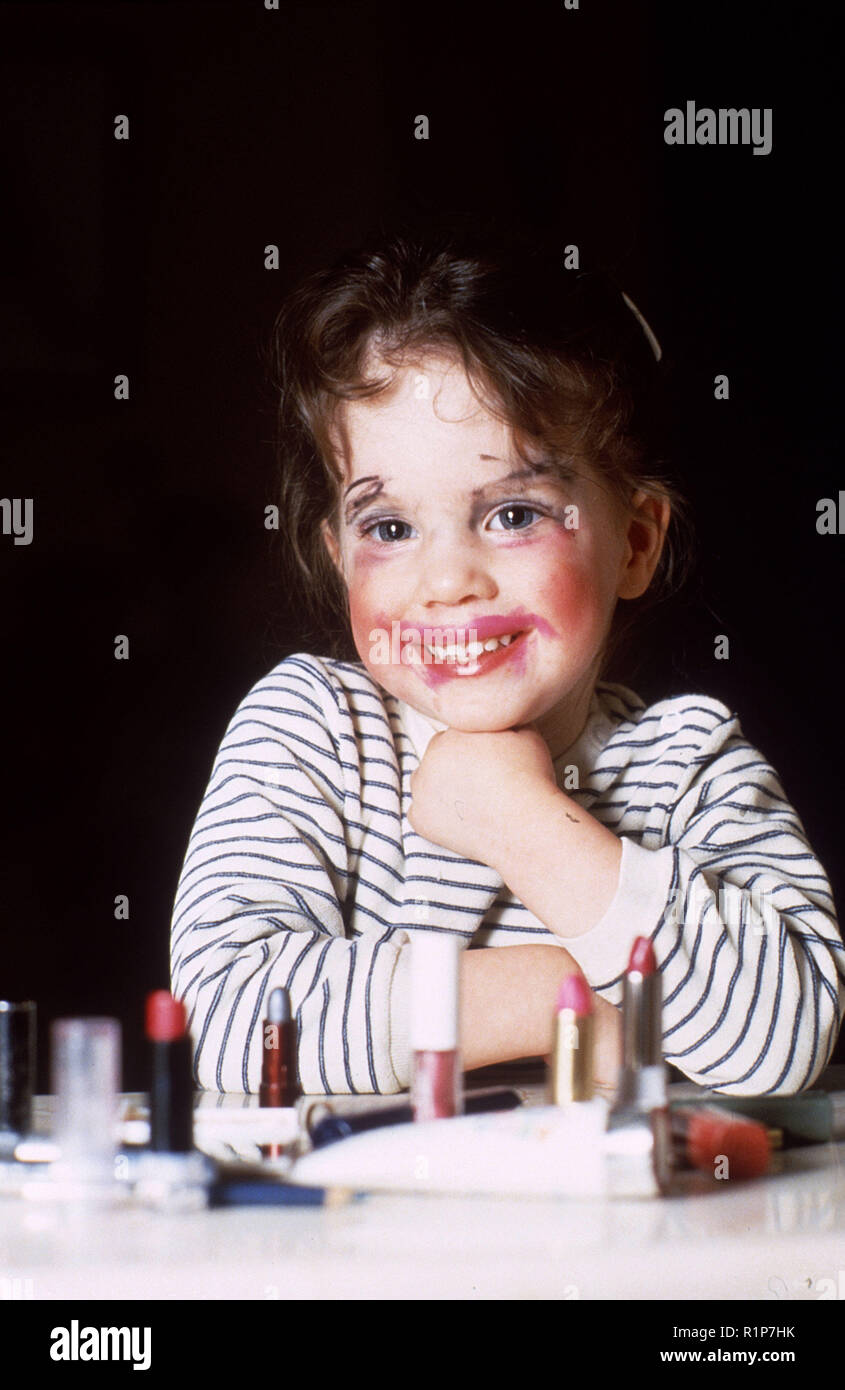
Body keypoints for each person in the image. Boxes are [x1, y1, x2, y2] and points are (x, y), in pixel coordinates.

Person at [170, 234, 843, 1097]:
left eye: (514, 513)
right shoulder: (312, 729)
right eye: (390, 528)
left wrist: (521, 822)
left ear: (634, 543)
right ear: (339, 556)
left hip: (608, 1232)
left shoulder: (687, 762)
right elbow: (226, 1020)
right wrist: (566, 997)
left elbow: (785, 1036)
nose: (447, 579)